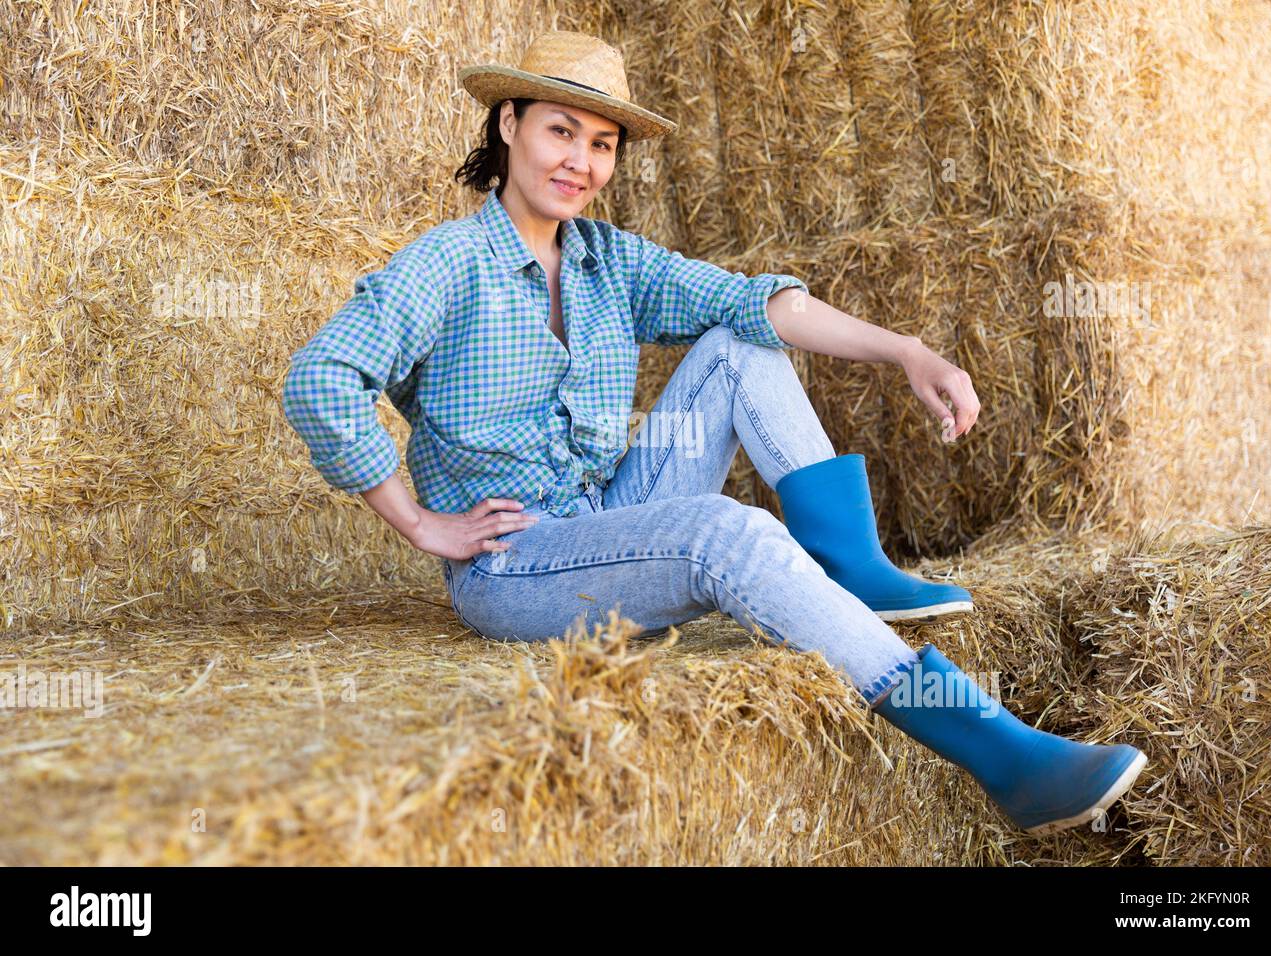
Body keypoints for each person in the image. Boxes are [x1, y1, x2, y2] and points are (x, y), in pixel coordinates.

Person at [282, 30, 1147, 835]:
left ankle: (849, 566)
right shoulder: (446, 264)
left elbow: (757, 304)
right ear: (509, 125)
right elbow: (323, 378)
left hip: (605, 515)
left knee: (740, 345)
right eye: (560, 132)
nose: (579, 161)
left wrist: (908, 351)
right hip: (513, 563)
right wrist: (423, 524)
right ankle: (999, 753)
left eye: (602, 144)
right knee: (726, 532)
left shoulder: (607, 261)